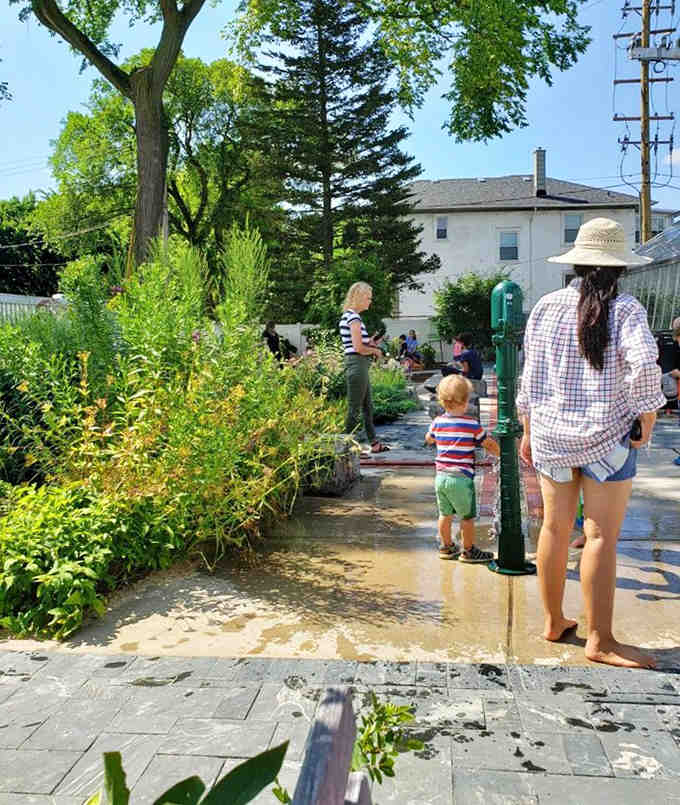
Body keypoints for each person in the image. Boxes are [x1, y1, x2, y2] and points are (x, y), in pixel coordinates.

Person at [517, 217, 665, 669]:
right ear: (620, 267)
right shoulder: (628, 310)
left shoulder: (546, 306)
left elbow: (531, 375)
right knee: (600, 535)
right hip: (607, 441)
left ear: (578, 263)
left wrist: (527, 429)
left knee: (554, 529)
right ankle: (600, 640)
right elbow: (644, 366)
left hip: (552, 438)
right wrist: (648, 416)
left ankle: (553, 621)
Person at [425, 374, 500, 562]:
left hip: (441, 477)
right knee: (467, 517)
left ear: (442, 401)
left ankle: (446, 547)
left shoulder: (438, 422)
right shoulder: (472, 424)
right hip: (461, 478)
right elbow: (487, 444)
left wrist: (438, 439)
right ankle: (468, 551)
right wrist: (502, 454)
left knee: (445, 514)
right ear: (466, 401)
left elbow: (429, 439)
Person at [339, 282, 389, 453]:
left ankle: (374, 444)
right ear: (359, 297)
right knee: (354, 408)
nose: (370, 301)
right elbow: (358, 348)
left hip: (358, 364)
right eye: (368, 298)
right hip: (357, 364)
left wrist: (372, 342)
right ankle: (344, 449)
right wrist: (376, 351)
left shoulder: (350, 316)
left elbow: (358, 344)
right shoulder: (353, 318)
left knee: (367, 407)